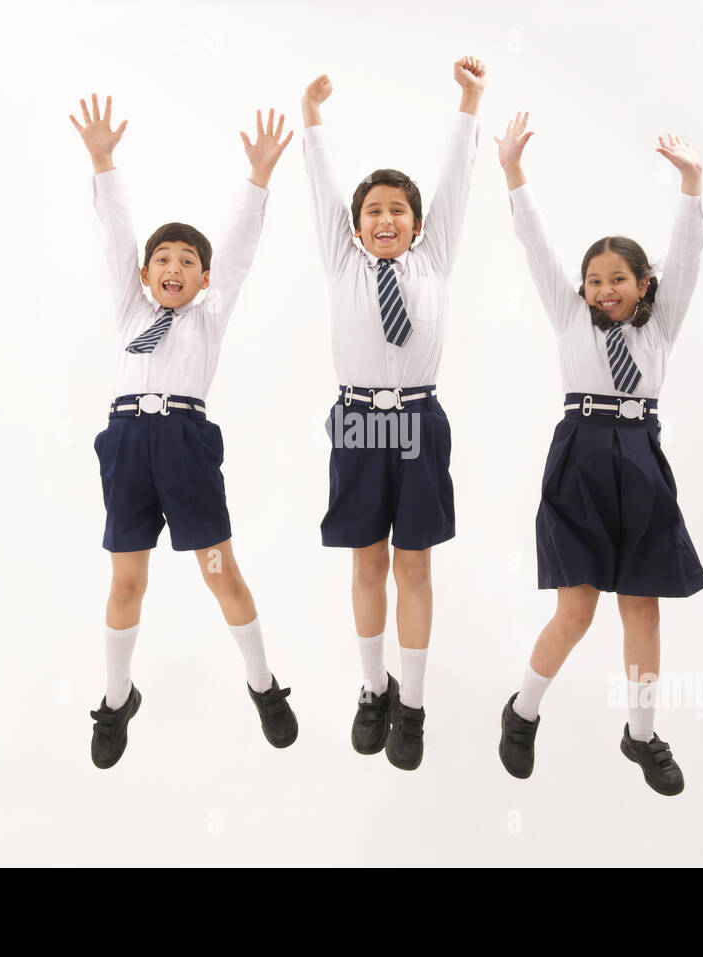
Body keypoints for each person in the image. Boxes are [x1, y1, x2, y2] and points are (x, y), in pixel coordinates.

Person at [69, 93, 298, 769]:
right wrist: (104, 162)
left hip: (186, 444)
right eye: (162, 259)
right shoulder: (128, 308)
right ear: (146, 275)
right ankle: (116, 698)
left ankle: (262, 682)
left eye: (187, 262)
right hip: (125, 446)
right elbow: (114, 234)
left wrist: (257, 178)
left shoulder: (206, 316)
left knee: (220, 569)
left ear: (201, 280)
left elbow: (238, 253)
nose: (174, 267)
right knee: (125, 583)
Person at [495, 112, 703, 794]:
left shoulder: (659, 327)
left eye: (619, 278)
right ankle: (523, 709)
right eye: (595, 280)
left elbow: (688, 252)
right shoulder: (569, 318)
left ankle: (641, 734)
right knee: (577, 608)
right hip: (580, 459)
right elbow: (536, 244)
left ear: (644, 285)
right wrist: (513, 172)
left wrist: (692, 185)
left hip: (640, 460)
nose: (605, 289)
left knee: (642, 606)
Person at [300, 58, 486, 771]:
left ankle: (411, 703)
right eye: (373, 210)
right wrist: (311, 119)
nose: (385, 218)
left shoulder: (433, 258)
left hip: (416, 420)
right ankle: (372, 689)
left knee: (414, 563)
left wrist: (469, 103)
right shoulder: (343, 263)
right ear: (355, 227)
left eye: (398, 210)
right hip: (355, 421)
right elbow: (321, 186)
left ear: (417, 224)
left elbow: (457, 183)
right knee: (367, 561)